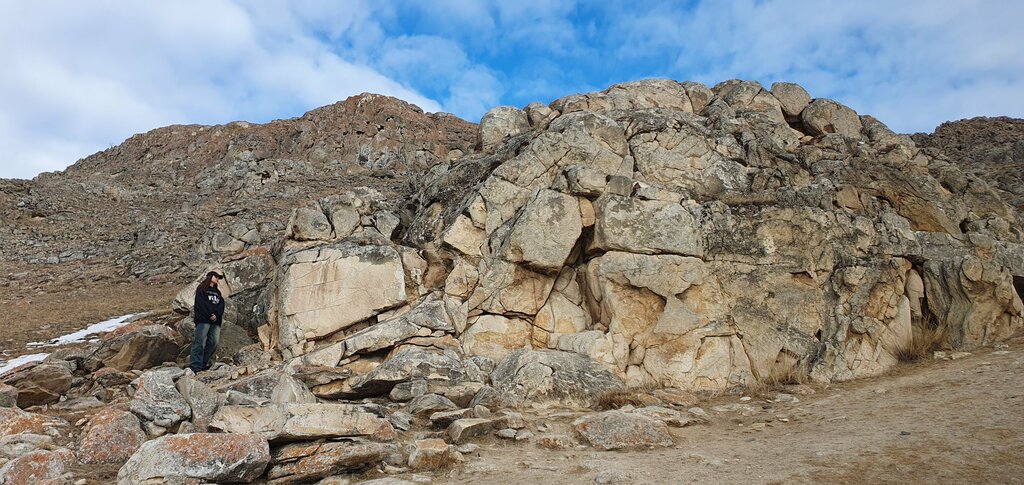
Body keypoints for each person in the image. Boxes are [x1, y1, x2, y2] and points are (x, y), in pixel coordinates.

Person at [189, 271, 225, 373]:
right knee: (199, 342)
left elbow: (221, 305)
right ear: (210, 276)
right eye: (216, 276)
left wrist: (216, 315)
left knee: (214, 342)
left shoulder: (218, 293)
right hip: (204, 319)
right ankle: (194, 366)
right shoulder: (201, 289)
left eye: (219, 277)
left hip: (216, 321)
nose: (217, 279)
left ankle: (203, 363)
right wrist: (210, 314)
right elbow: (201, 304)